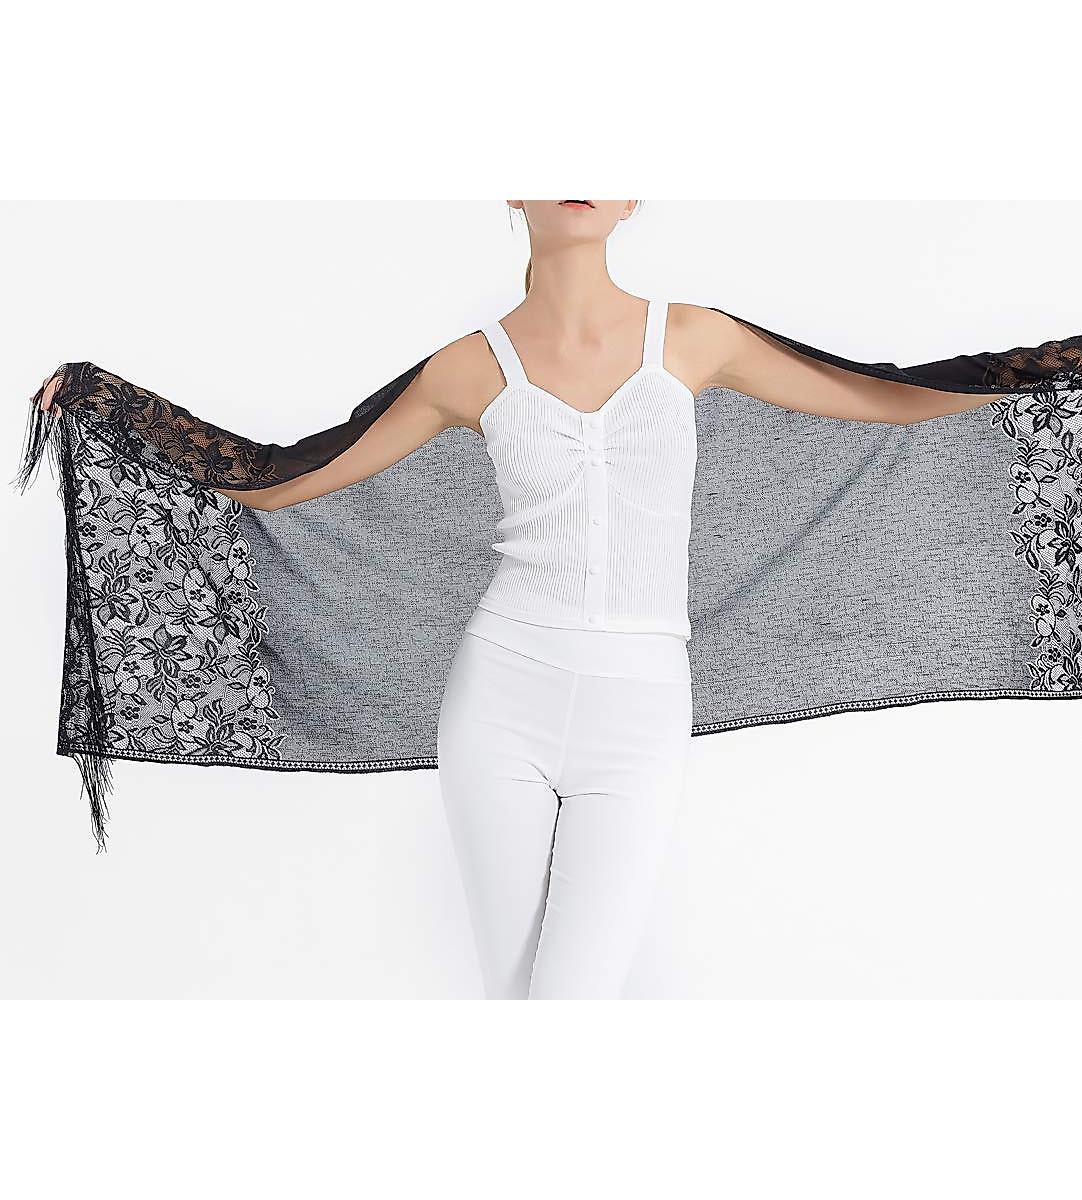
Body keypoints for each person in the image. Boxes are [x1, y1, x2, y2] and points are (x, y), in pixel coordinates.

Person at [29, 200, 1023, 999]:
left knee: (569, 1008)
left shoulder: (694, 338)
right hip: (502, 697)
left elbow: (889, 395)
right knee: (519, 1009)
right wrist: (110, 400)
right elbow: (278, 478)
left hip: (640, 707)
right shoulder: (467, 366)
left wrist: (1077, 370)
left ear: (634, 195)